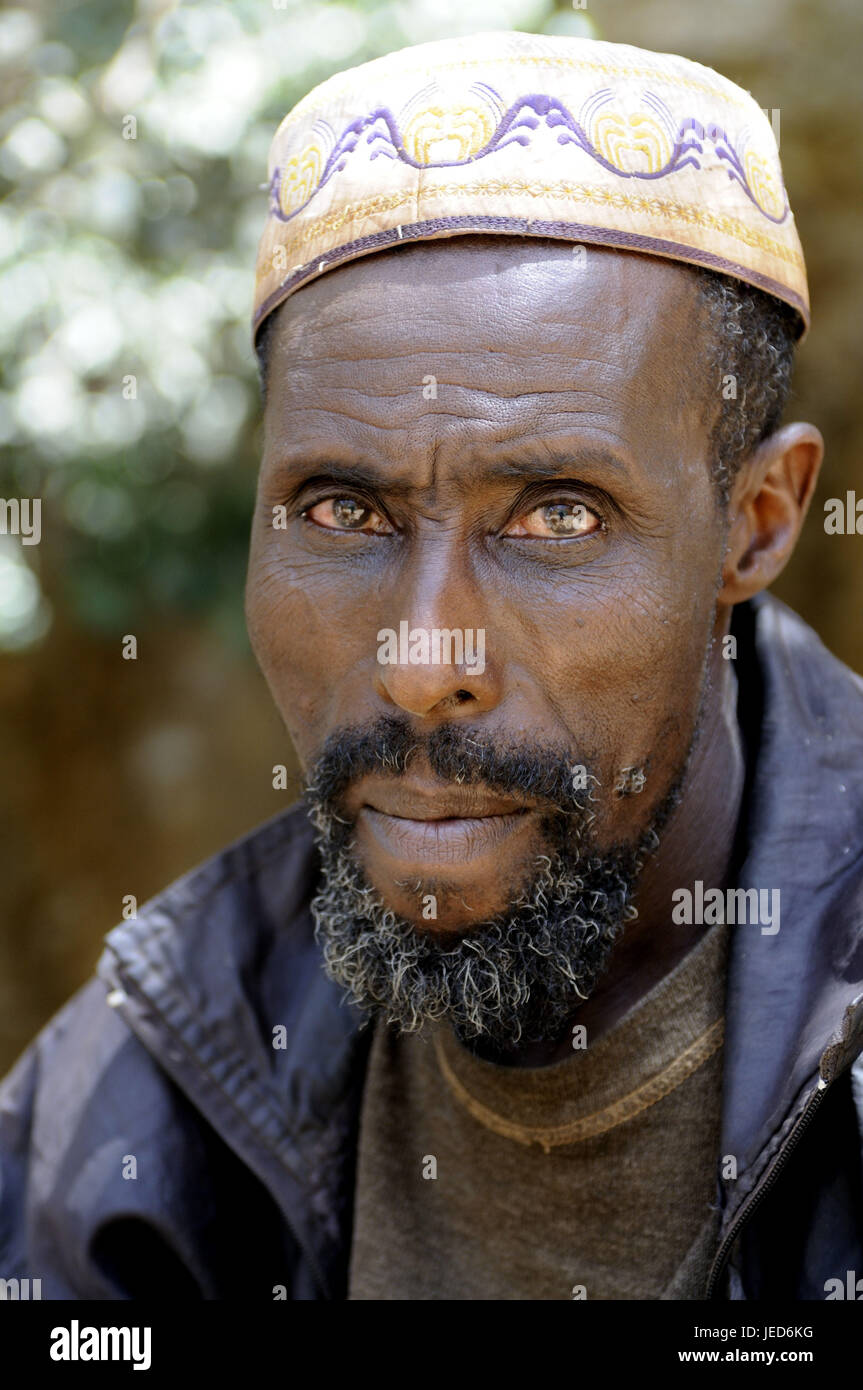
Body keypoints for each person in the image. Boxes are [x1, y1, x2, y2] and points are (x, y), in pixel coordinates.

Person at [1, 30, 861, 1302]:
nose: (420, 667)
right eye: (345, 510)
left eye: (556, 515)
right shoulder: (154, 1074)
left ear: (756, 522)